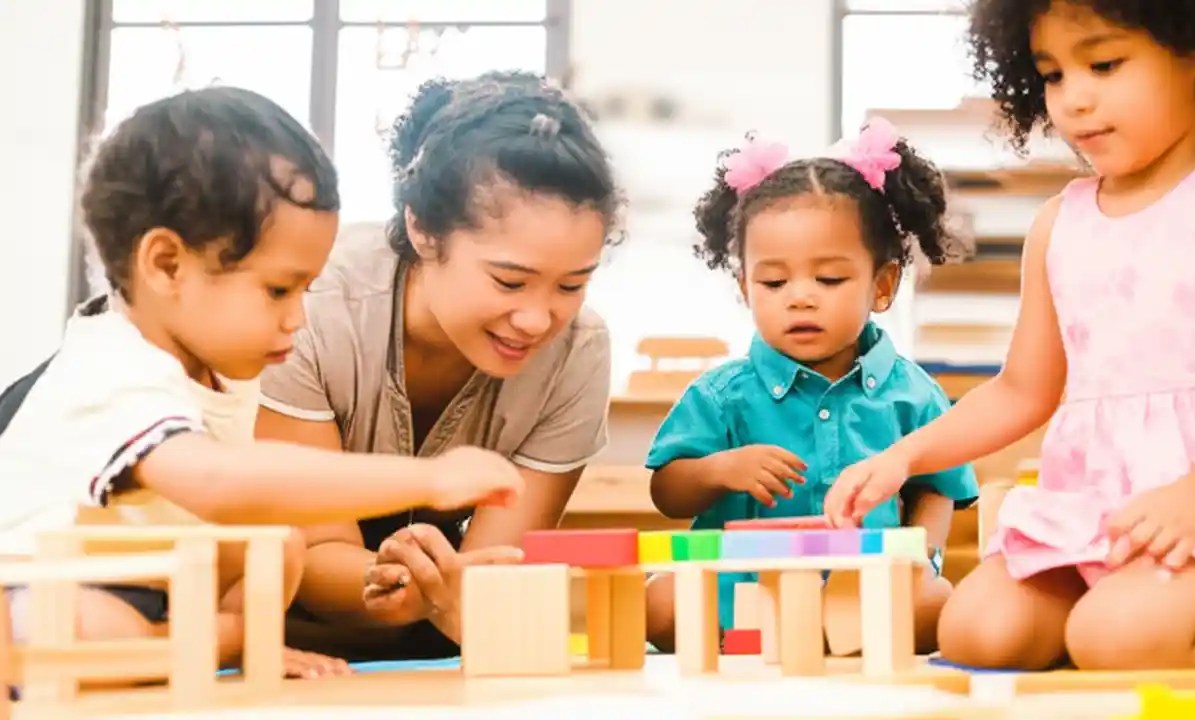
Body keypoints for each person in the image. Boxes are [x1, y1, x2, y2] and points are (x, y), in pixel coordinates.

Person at [0, 86, 523, 684]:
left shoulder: (217, 370)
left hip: (148, 582)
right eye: (278, 290)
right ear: (167, 265)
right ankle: (190, 647)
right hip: (36, 589)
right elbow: (220, 485)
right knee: (91, 624)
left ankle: (204, 646)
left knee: (279, 543)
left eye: (305, 290)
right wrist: (429, 478)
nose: (298, 317)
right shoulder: (110, 368)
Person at [823, 0, 1195, 671]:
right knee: (978, 631)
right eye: (1054, 75)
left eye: (1104, 64)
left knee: (1113, 637)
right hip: (1094, 511)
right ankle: (1127, 627)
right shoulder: (1059, 225)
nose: (1074, 98)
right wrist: (903, 457)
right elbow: (1020, 390)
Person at [254, 71, 623, 661]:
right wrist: (407, 587)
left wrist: (437, 593)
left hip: (436, 636)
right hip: (276, 626)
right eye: (510, 281)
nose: (537, 320)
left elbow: (494, 573)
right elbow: (315, 550)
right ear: (422, 229)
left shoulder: (578, 351)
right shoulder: (312, 305)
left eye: (572, 285)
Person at [643, 117, 979, 652]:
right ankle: (779, 639)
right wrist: (720, 469)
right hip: (742, 593)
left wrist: (921, 559)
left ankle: (822, 638)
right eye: (774, 282)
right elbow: (667, 492)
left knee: (938, 603)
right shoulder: (722, 394)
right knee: (659, 602)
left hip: (864, 594)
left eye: (828, 279)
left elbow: (939, 487)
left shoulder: (912, 394)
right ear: (745, 287)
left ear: (883, 284)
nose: (800, 297)